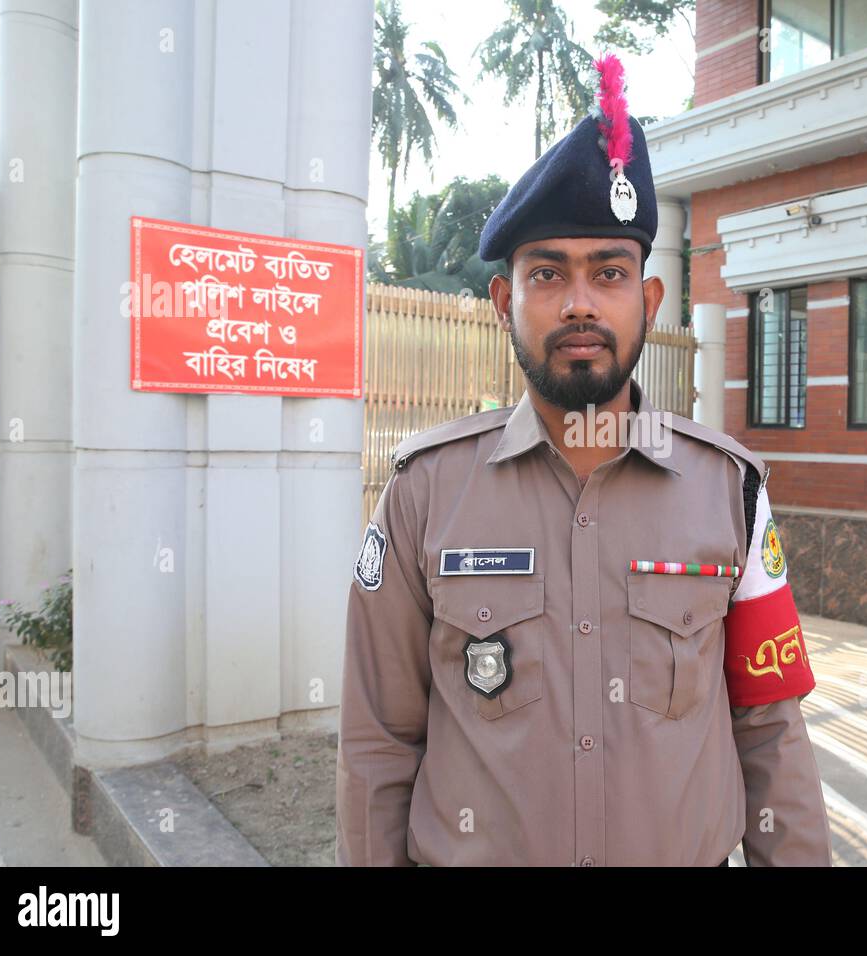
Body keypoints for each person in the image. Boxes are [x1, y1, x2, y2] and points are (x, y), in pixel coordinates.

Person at [335, 54, 830, 867]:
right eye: (546, 274)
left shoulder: (730, 493)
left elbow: (770, 726)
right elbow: (379, 741)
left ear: (648, 300)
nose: (579, 302)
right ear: (505, 304)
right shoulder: (425, 493)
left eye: (609, 272)